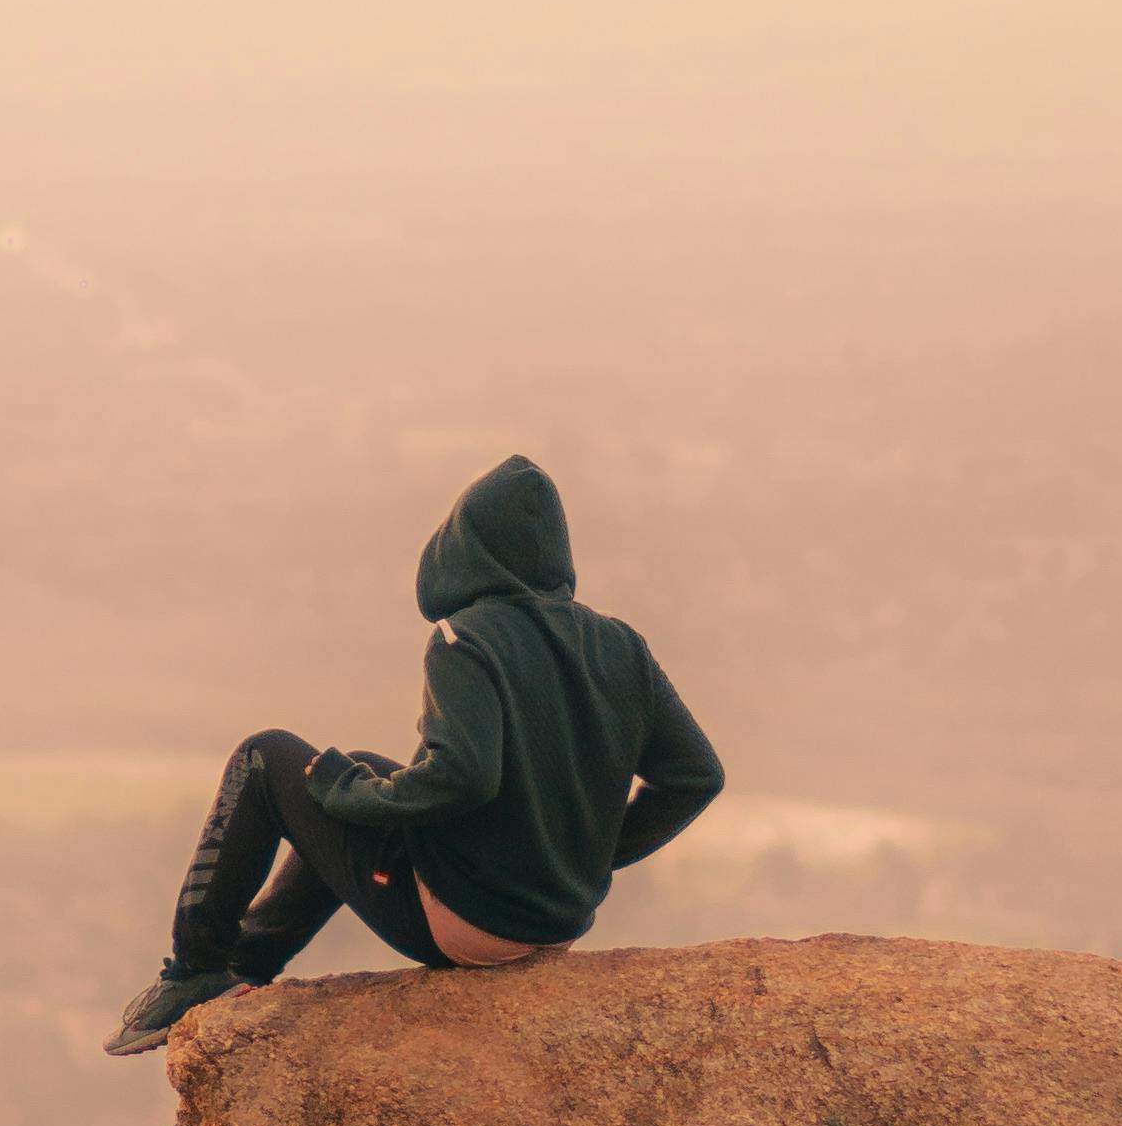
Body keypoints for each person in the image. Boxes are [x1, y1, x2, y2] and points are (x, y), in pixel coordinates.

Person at [104, 451, 722, 1054]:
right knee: (366, 769)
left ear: (464, 548)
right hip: (554, 918)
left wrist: (349, 793)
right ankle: (251, 959)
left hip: (471, 923)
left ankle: (195, 968)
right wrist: (589, 855)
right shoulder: (619, 645)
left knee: (266, 757)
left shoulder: (465, 639)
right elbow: (695, 776)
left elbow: (465, 775)